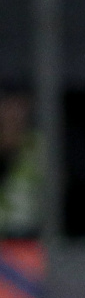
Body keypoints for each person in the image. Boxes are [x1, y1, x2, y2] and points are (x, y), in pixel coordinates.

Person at [0, 89, 42, 239]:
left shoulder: (37, 146)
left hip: (27, 235)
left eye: (19, 109)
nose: (14, 115)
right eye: (8, 108)